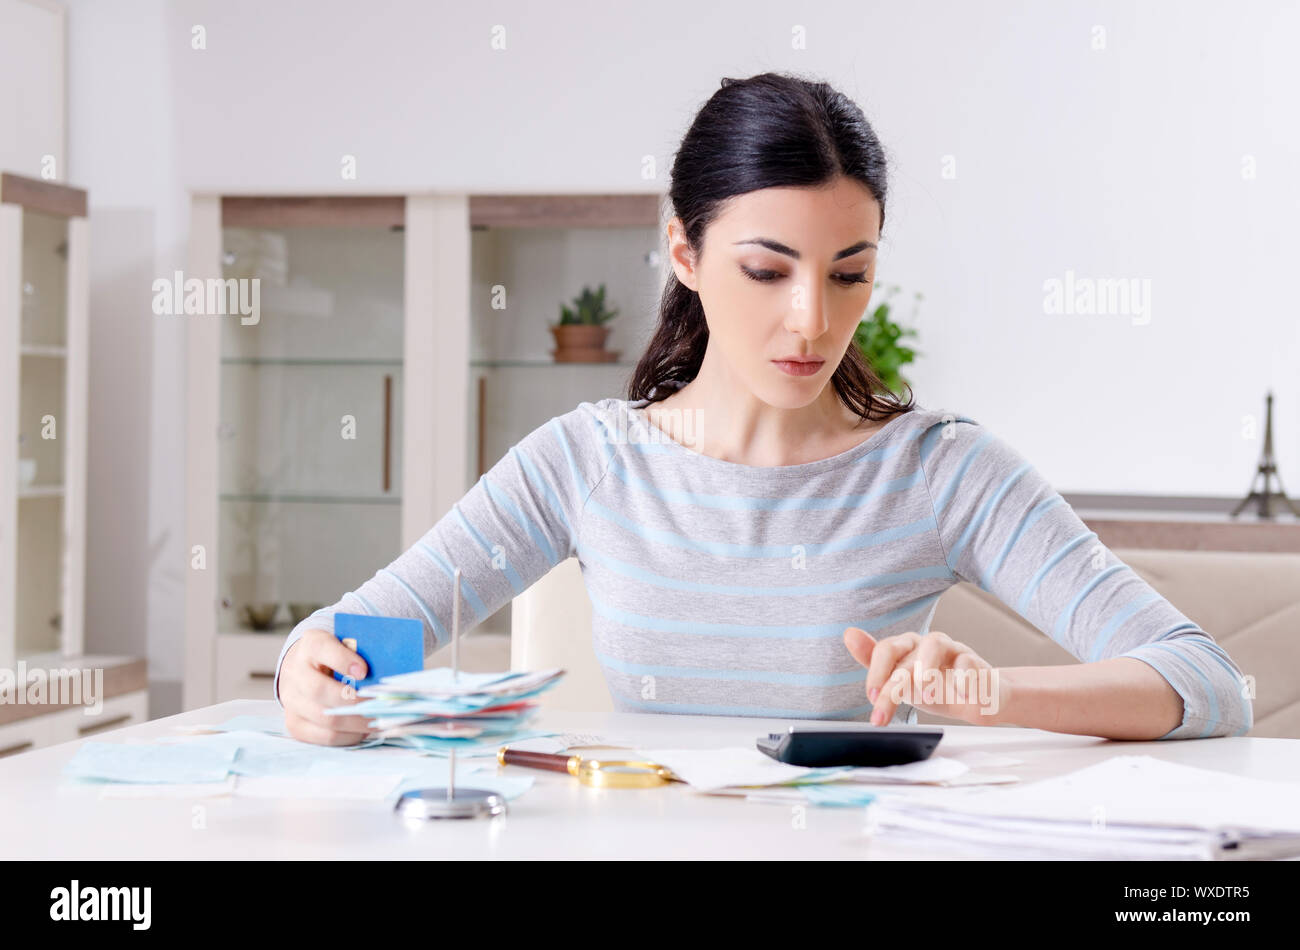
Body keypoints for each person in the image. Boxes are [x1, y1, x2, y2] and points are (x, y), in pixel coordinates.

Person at [275, 71, 1252, 747]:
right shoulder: (587, 462)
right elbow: (356, 634)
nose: (810, 318)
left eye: (848, 273)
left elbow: (1208, 683)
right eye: (766, 269)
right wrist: (304, 669)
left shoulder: (941, 471)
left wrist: (990, 692)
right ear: (686, 254)